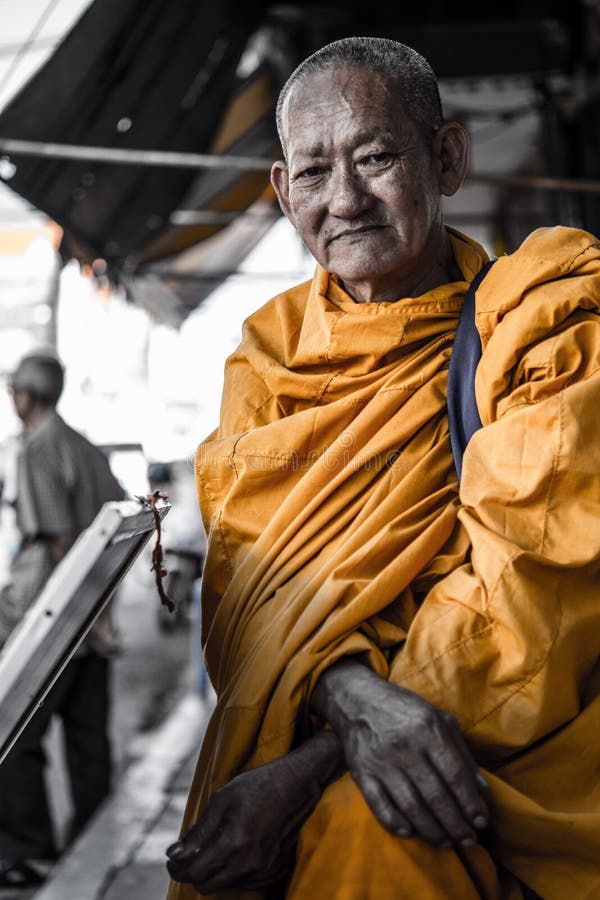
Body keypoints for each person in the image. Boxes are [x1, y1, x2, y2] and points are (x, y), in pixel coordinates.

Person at [166, 37, 600, 900]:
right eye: (315, 174)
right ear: (284, 195)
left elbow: (529, 598)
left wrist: (318, 755)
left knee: (371, 835)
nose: (347, 200)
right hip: (329, 724)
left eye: (376, 157)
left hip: (510, 762)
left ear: (447, 158)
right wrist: (354, 703)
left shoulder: (544, 323)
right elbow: (245, 594)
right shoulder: (267, 359)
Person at [0, 352, 124, 889]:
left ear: (24, 397)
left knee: (14, 737)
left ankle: (30, 851)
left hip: (54, 623)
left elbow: (59, 540)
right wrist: (100, 617)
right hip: (91, 616)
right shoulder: (87, 448)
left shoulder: (38, 449)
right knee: (87, 738)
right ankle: (93, 841)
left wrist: (87, 621)